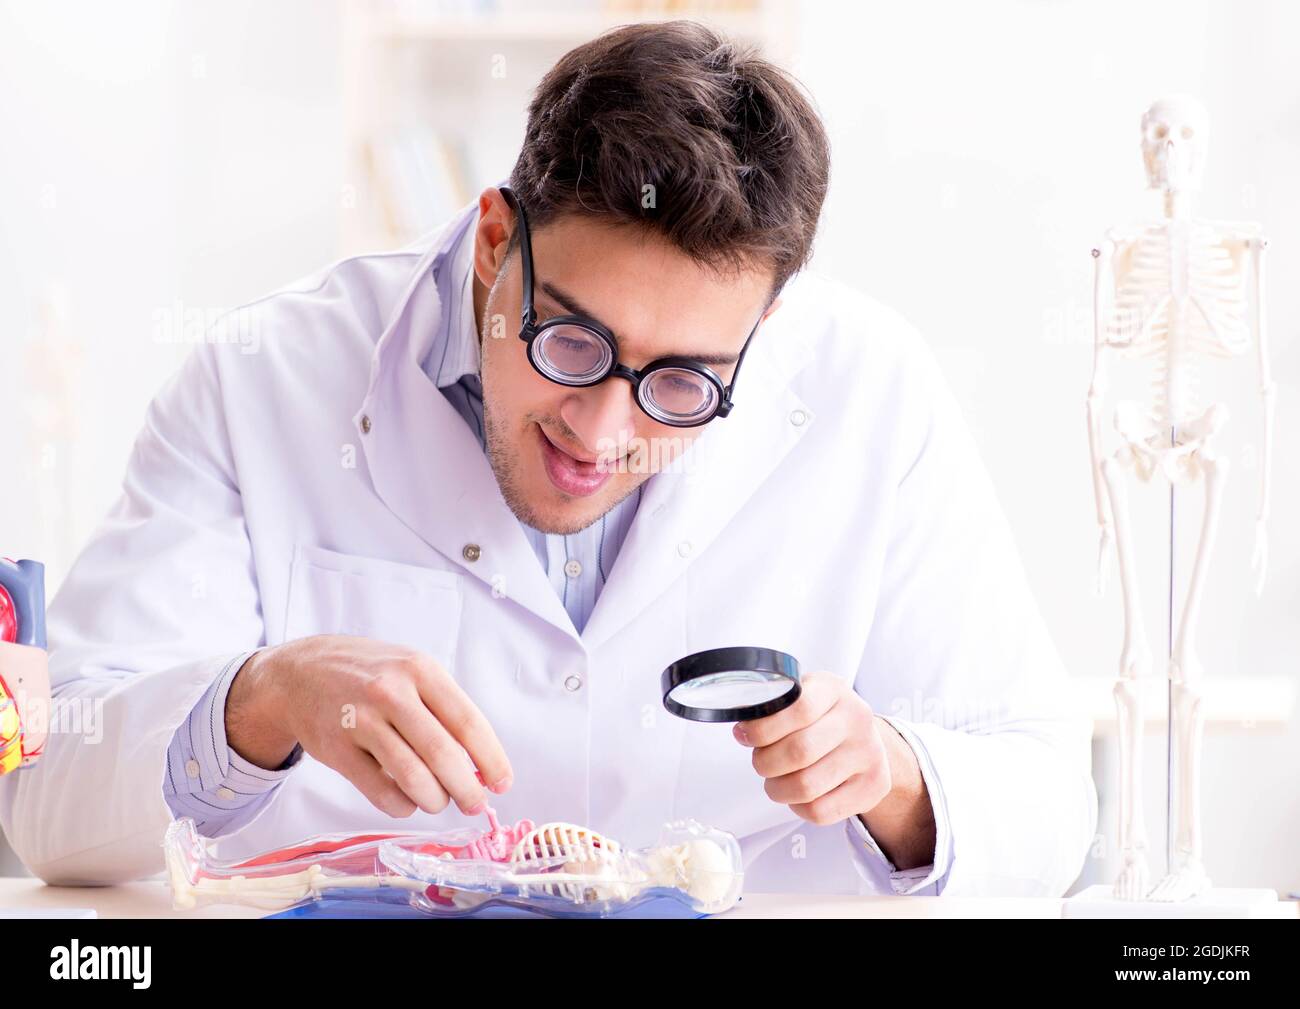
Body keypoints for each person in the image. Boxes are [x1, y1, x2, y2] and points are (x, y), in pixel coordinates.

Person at [0, 21, 1095, 896]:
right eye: (570, 342)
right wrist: (261, 699)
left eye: (683, 382)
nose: (604, 430)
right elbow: (47, 806)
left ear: (762, 329)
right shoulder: (264, 376)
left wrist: (897, 778)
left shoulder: (872, 391)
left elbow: (1049, 804)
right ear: (492, 242)